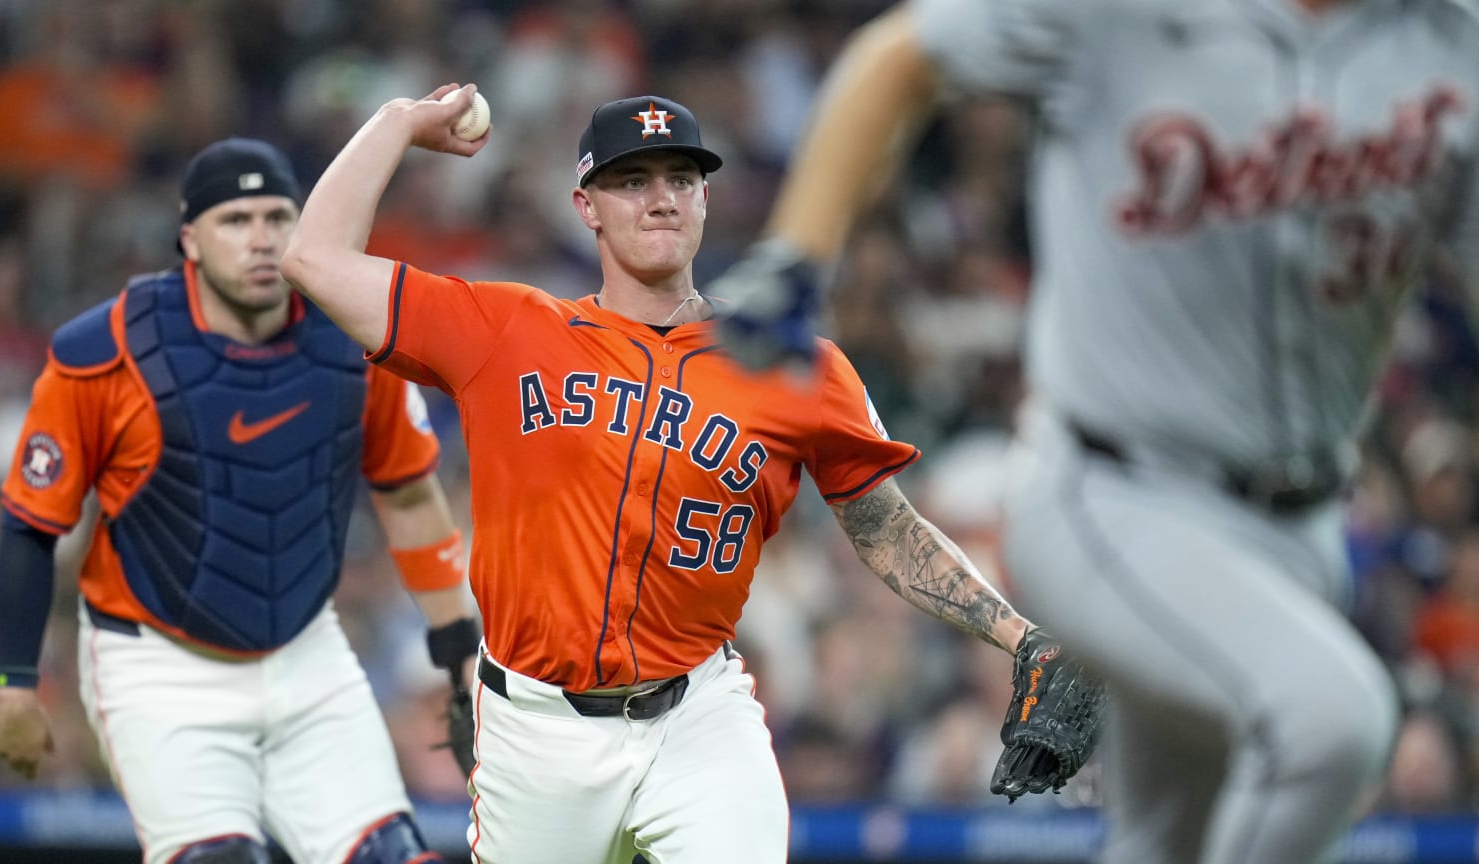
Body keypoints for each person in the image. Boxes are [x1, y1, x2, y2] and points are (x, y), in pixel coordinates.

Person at [705, 3, 1479, 862]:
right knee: (1334, 724)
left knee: (1166, 839)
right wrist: (799, 253)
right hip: (1109, 495)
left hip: (1299, 527)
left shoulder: (1452, 39)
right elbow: (902, 55)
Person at [279, 86, 1089, 864]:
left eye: (680, 178)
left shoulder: (794, 367)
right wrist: (396, 122)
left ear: (705, 201)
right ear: (586, 207)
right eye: (631, 180)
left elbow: (887, 530)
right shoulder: (507, 328)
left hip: (696, 715)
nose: (660, 198)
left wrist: (1022, 638)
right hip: (534, 725)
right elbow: (314, 258)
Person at [0, 137, 475, 864]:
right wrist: (15, 684)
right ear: (189, 238)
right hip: (158, 662)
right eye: (235, 220)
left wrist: (459, 652)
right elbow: (29, 526)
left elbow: (406, 496)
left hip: (306, 649)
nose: (263, 239)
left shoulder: (357, 340)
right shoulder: (107, 350)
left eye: (279, 216)